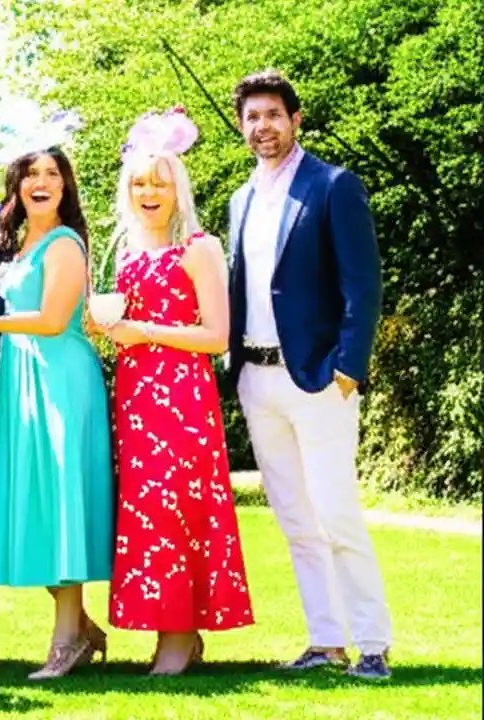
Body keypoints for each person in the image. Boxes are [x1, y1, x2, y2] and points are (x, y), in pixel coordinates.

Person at [227, 69, 390, 680]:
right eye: (252, 117)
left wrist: (348, 367)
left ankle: (373, 643)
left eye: (273, 114)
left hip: (318, 378)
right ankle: (326, 641)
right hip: (256, 378)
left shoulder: (334, 186)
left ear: (295, 120)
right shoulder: (240, 200)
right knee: (295, 518)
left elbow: (362, 285)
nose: (262, 126)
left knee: (335, 511)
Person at [0, 144, 114, 680]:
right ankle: (82, 627)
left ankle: (66, 641)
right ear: (17, 187)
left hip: (59, 377)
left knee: (60, 501)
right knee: (34, 505)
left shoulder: (64, 243)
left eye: (52, 173)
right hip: (21, 378)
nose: (40, 182)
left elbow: (50, 320)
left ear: (65, 186)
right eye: (30, 174)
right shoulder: (23, 244)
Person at [101, 108, 254, 675]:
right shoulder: (129, 252)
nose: (149, 192)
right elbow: (131, 323)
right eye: (140, 183)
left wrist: (145, 333)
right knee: (144, 513)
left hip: (182, 400)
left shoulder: (199, 247)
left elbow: (216, 336)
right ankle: (175, 634)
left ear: (177, 190)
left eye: (159, 183)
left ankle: (179, 634)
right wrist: (112, 328)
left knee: (179, 512)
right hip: (136, 400)